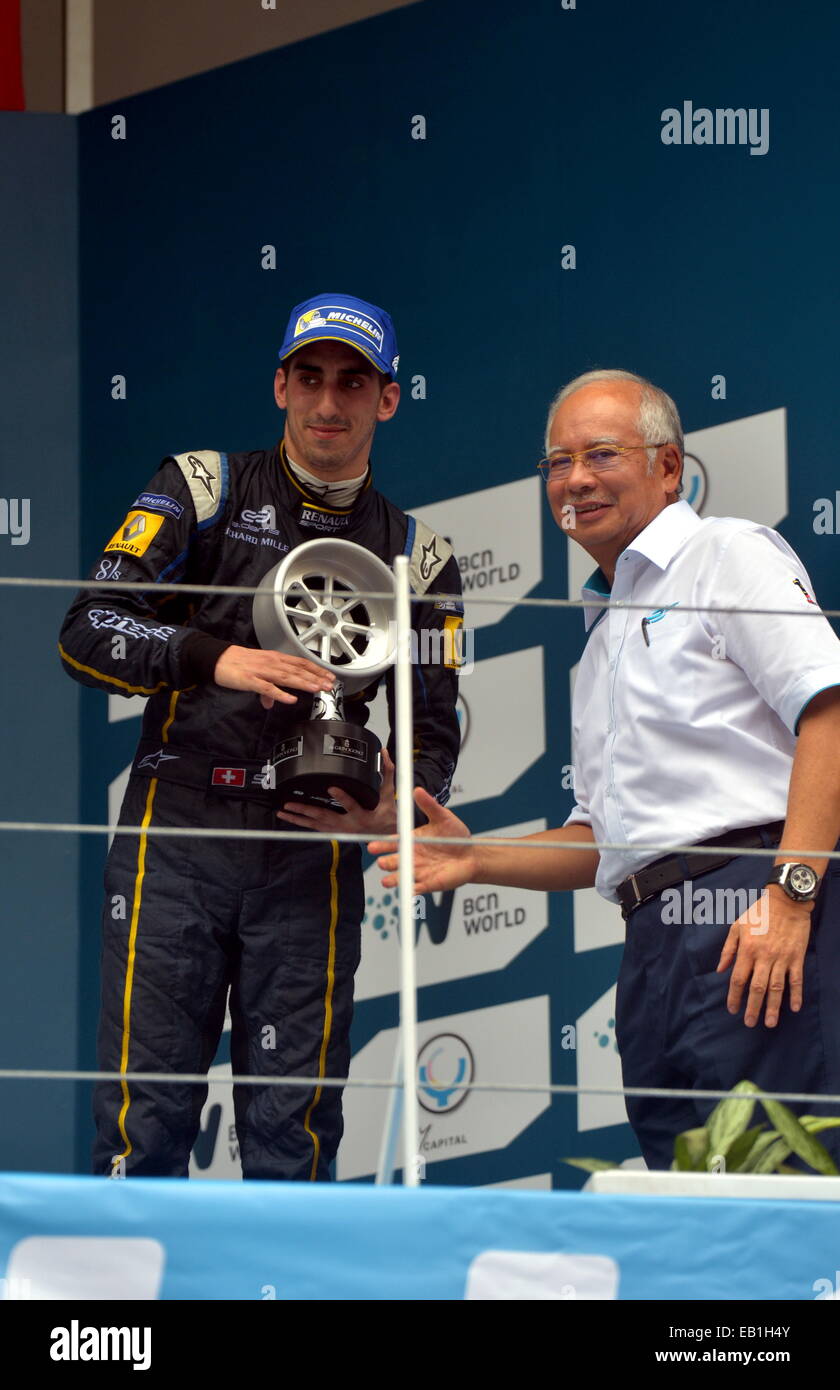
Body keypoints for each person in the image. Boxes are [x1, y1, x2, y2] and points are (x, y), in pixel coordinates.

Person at [372, 368, 840, 1170]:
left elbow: (828, 712)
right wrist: (475, 857)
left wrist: (791, 896)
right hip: (649, 944)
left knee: (779, 1193)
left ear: (668, 466)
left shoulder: (724, 553)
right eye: (557, 462)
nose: (575, 479)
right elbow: (601, 838)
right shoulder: (599, 643)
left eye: (600, 454)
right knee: (687, 1210)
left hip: (750, 907)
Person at [59, 292, 462, 1180]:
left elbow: (435, 725)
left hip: (307, 849)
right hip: (178, 835)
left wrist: (396, 806)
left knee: (296, 1141)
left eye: (353, 383)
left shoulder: (419, 556)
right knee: (144, 1124)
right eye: (309, 378)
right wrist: (218, 658)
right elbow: (84, 631)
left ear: (387, 399)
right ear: (279, 385)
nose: (329, 403)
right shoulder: (202, 488)